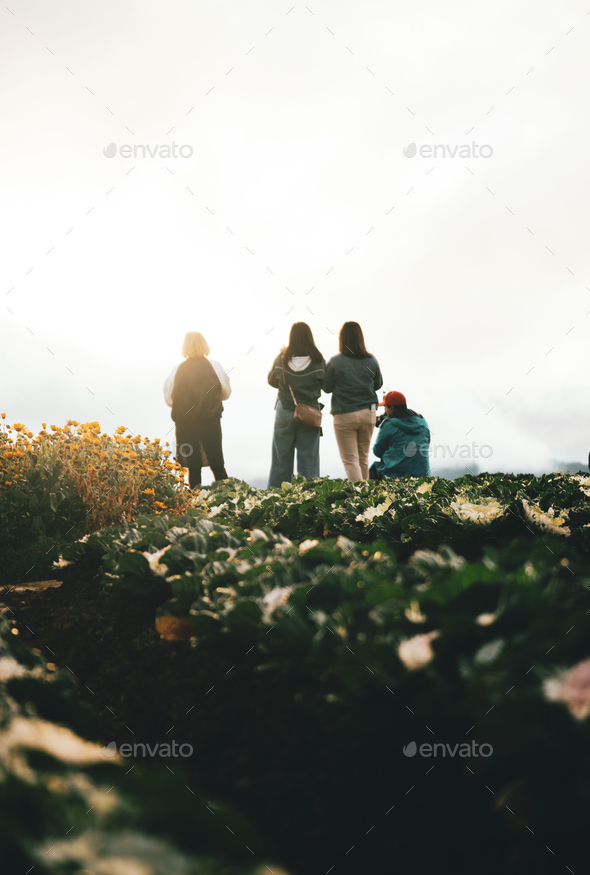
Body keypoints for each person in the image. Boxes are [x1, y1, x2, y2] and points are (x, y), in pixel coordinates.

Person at [163, 332, 231, 489]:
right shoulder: (215, 366)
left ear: (185, 347)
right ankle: (228, 500)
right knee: (217, 464)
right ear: (204, 345)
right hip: (211, 423)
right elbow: (225, 393)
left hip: (186, 425)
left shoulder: (177, 369)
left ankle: (195, 504)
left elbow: (169, 399)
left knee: (193, 468)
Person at [267, 322, 326, 488]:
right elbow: (326, 385)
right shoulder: (318, 360)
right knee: (309, 459)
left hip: (284, 411)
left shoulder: (281, 359)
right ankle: (308, 496)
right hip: (309, 413)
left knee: (281, 460)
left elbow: (272, 381)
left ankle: (276, 497)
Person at [323, 322, 383, 480]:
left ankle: (358, 497)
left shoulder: (335, 362)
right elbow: (378, 385)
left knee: (350, 460)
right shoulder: (371, 361)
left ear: (342, 339)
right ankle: (367, 497)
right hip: (368, 413)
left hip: (345, 413)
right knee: (363, 458)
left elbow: (326, 387)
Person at [370, 391, 431, 479]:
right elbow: (427, 443)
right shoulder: (422, 421)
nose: (385, 411)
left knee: (373, 471)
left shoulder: (388, 424)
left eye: (385, 408)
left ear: (391, 408)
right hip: (423, 475)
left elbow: (377, 451)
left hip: (397, 475)